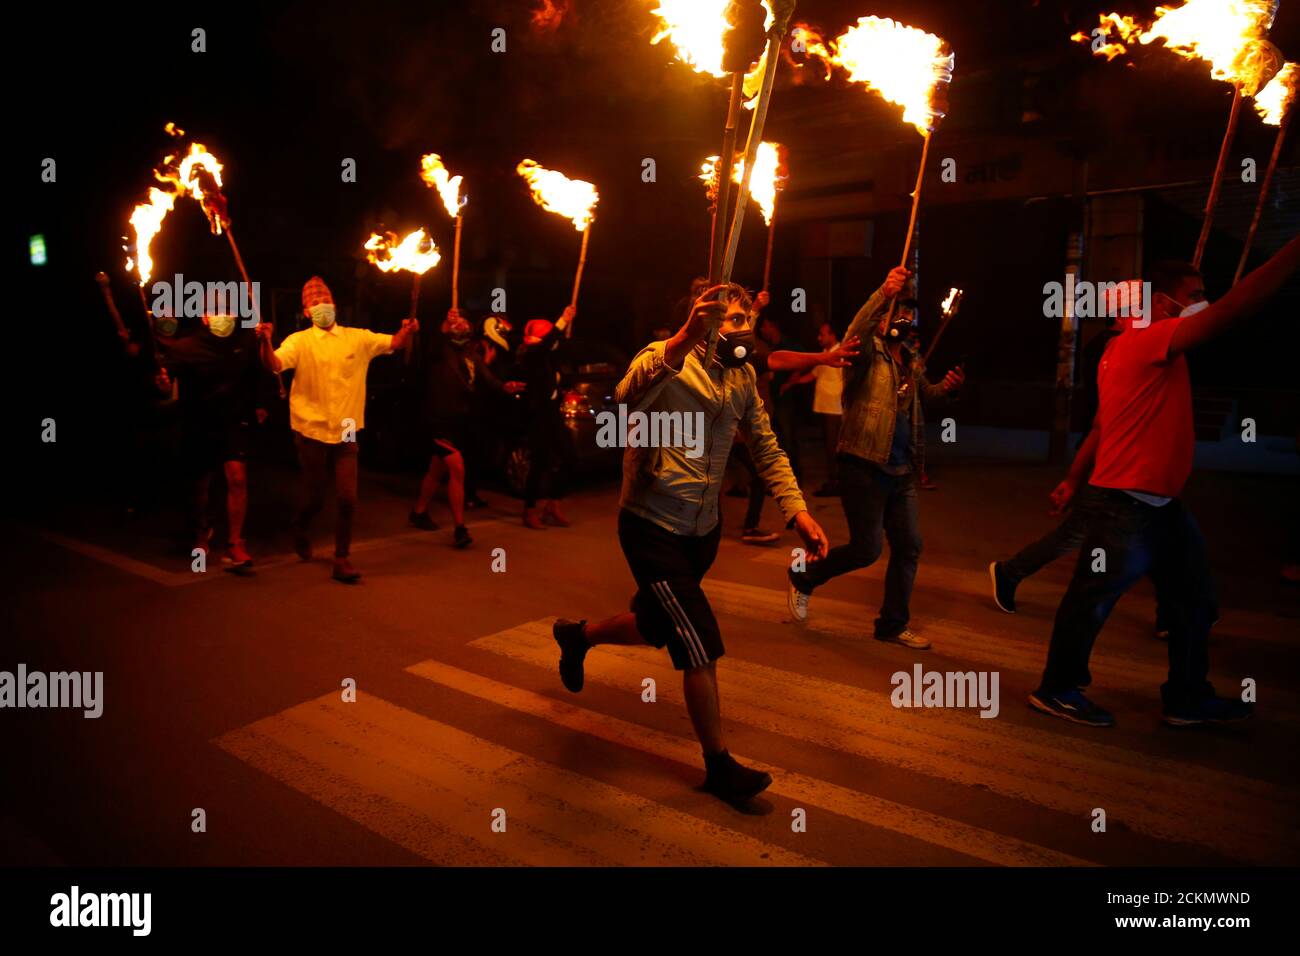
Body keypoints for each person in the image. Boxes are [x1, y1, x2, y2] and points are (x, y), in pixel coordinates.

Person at [551, 283, 830, 806]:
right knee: (698, 641)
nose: (741, 327)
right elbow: (625, 396)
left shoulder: (743, 376)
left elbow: (767, 447)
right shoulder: (664, 357)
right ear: (703, 321)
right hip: (650, 526)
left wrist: (798, 511)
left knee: (657, 624)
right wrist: (682, 340)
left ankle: (578, 636)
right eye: (729, 319)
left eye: (746, 318)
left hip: (703, 532)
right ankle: (719, 766)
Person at [1030, 238, 1300, 728]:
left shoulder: (1128, 345)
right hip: (1127, 504)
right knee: (1091, 599)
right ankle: (1057, 688)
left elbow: (1102, 424)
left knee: (1193, 600)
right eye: (1194, 293)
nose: (1202, 300)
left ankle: (1186, 697)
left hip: (1158, 503)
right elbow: (1233, 310)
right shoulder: (1143, 340)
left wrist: (1073, 478)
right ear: (1161, 303)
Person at [787, 269, 964, 649]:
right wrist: (882, 292)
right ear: (885, 317)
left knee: (910, 545)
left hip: (900, 469)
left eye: (908, 314)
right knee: (867, 550)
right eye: (897, 312)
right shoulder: (866, 354)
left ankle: (892, 624)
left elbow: (925, 396)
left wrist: (946, 390)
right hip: (862, 463)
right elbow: (855, 329)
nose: (904, 320)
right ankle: (805, 578)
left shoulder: (912, 361)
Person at [256, 276, 418, 583]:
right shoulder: (299, 341)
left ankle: (342, 558)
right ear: (306, 313)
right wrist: (264, 341)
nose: (321, 307)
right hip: (310, 428)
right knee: (315, 497)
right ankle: (301, 526)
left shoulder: (357, 338)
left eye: (325, 301)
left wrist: (407, 330)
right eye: (314, 304)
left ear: (334, 305)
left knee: (347, 499)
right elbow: (274, 365)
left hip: (346, 429)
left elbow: (394, 344)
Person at [989, 316, 1122, 613]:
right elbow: (1101, 424)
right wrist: (1074, 479)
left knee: (1154, 538)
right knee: (1079, 532)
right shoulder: (1114, 348)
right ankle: (1011, 572)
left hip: (1129, 466)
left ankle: (1180, 607)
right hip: (1110, 462)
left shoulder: (1123, 346)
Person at [156, 305, 273, 571]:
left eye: (230, 312)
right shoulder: (185, 348)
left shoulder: (244, 342)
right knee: (200, 484)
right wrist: (163, 383)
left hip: (232, 421)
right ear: (205, 318)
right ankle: (200, 531)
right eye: (218, 312)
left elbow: (257, 373)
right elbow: (165, 385)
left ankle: (234, 544)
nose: (226, 317)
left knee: (237, 476)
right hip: (198, 423)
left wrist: (261, 404)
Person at [409, 308, 524, 547]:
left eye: (464, 322)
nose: (460, 325)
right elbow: (435, 341)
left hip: (459, 421)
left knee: (436, 470)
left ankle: (418, 512)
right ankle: (460, 528)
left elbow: (487, 380)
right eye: (456, 323)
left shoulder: (471, 353)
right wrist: (445, 324)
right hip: (438, 420)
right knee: (457, 469)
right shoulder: (439, 350)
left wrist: (505, 387)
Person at [519, 307, 577, 530]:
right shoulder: (531, 354)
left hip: (553, 415)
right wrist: (563, 320)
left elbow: (558, 354)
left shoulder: (548, 356)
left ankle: (553, 503)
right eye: (549, 335)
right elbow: (545, 347)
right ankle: (530, 509)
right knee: (540, 462)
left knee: (570, 459)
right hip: (537, 416)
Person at [780, 321, 845, 497]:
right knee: (828, 447)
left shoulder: (840, 355)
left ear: (832, 335)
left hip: (834, 409)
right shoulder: (825, 354)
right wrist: (791, 383)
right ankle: (833, 481)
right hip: (824, 407)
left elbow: (847, 381)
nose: (819, 337)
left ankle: (836, 483)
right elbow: (813, 374)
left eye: (822, 334)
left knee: (833, 448)